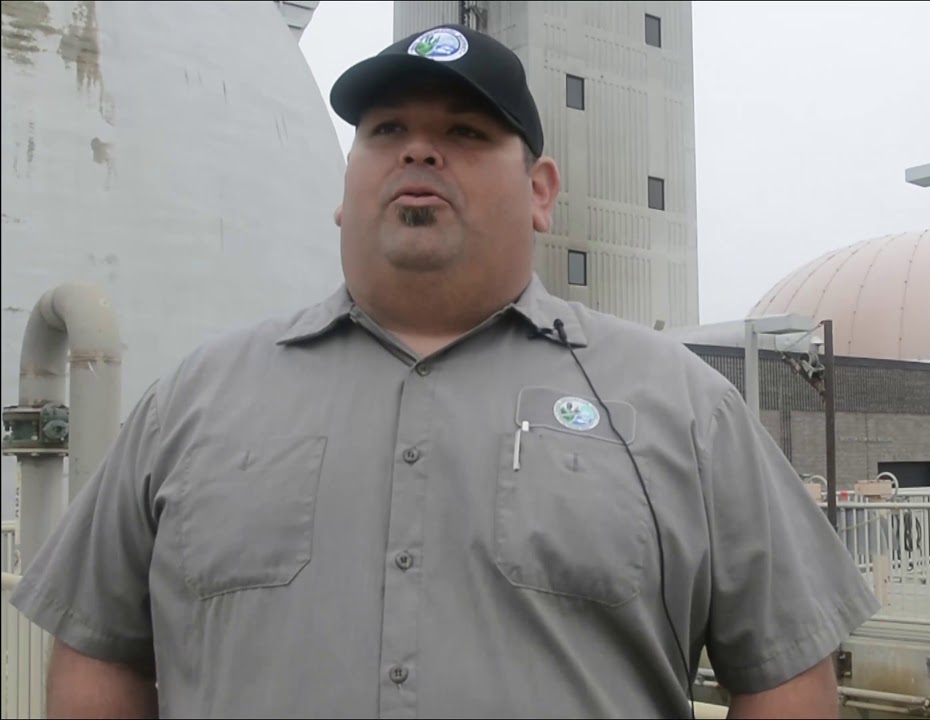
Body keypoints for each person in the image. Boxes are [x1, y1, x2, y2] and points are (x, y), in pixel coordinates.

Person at [10, 23, 880, 719]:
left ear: (540, 191)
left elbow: (786, 673)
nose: (419, 153)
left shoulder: (684, 407)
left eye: (464, 132)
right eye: (388, 131)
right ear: (345, 188)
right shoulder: (193, 401)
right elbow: (102, 655)